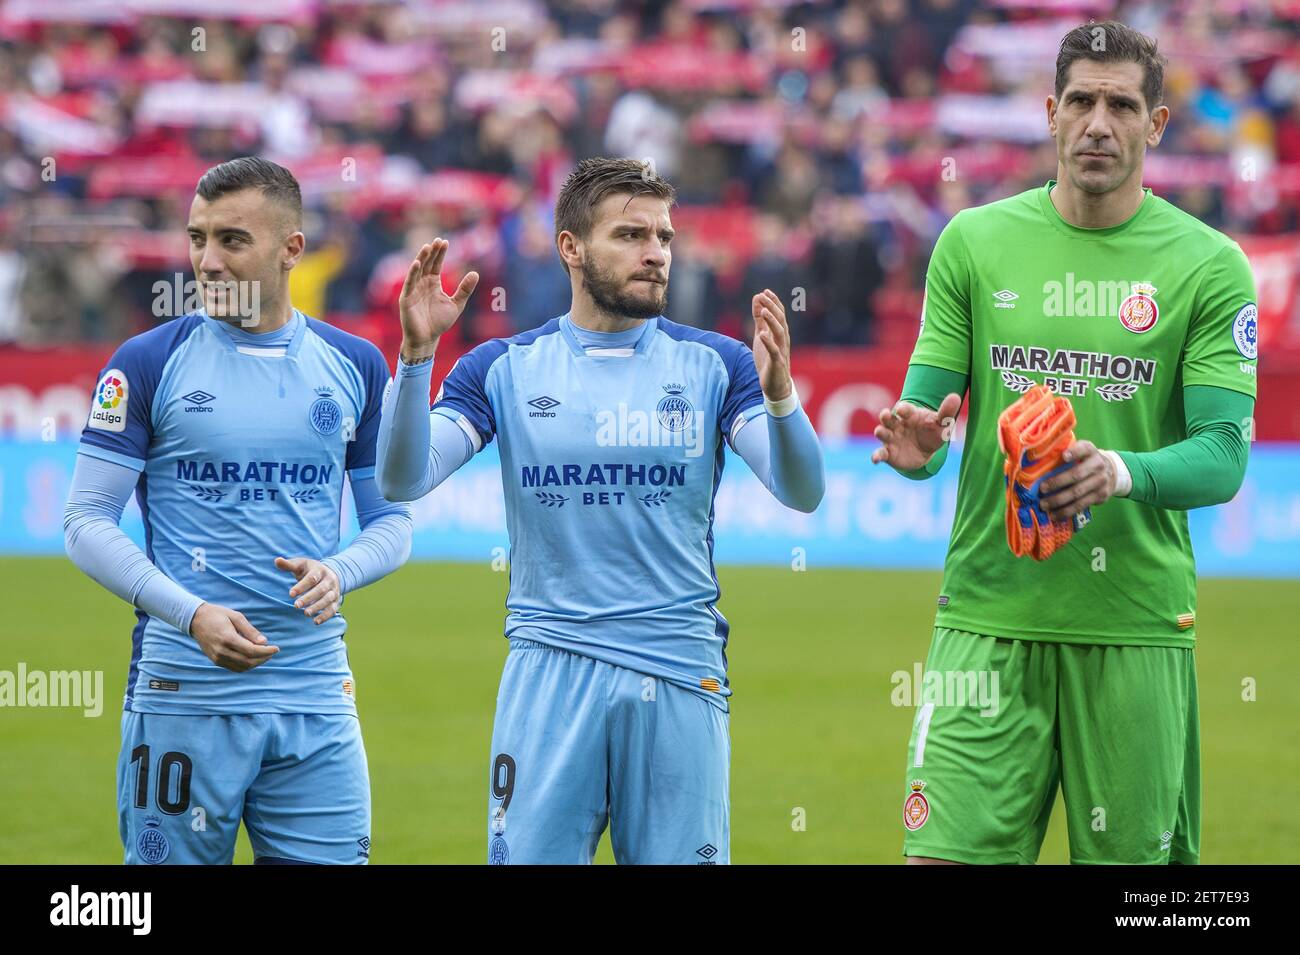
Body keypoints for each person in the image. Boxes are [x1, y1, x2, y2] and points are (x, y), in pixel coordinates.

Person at [872, 21, 1257, 864]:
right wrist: (917, 444)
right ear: (1050, 113)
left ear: (1156, 125)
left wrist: (1118, 471)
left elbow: (1225, 453)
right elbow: (924, 420)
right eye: (1081, 100)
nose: (1097, 122)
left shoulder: (1209, 265)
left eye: (1122, 104)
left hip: (1135, 627)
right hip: (985, 619)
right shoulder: (973, 242)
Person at [377, 157, 825, 864]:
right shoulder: (503, 366)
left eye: (664, 236)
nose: (655, 253)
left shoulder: (718, 364)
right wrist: (414, 357)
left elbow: (802, 491)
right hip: (547, 668)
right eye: (630, 235)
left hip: (679, 670)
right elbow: (402, 478)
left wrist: (780, 396)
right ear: (571, 248)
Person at [64, 157, 412, 864]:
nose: (206, 261)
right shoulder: (145, 361)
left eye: (232, 240)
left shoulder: (356, 364)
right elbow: (85, 521)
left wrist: (340, 571)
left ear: (291, 249)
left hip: (316, 694)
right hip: (182, 691)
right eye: (197, 238)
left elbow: (394, 523)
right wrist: (191, 614)